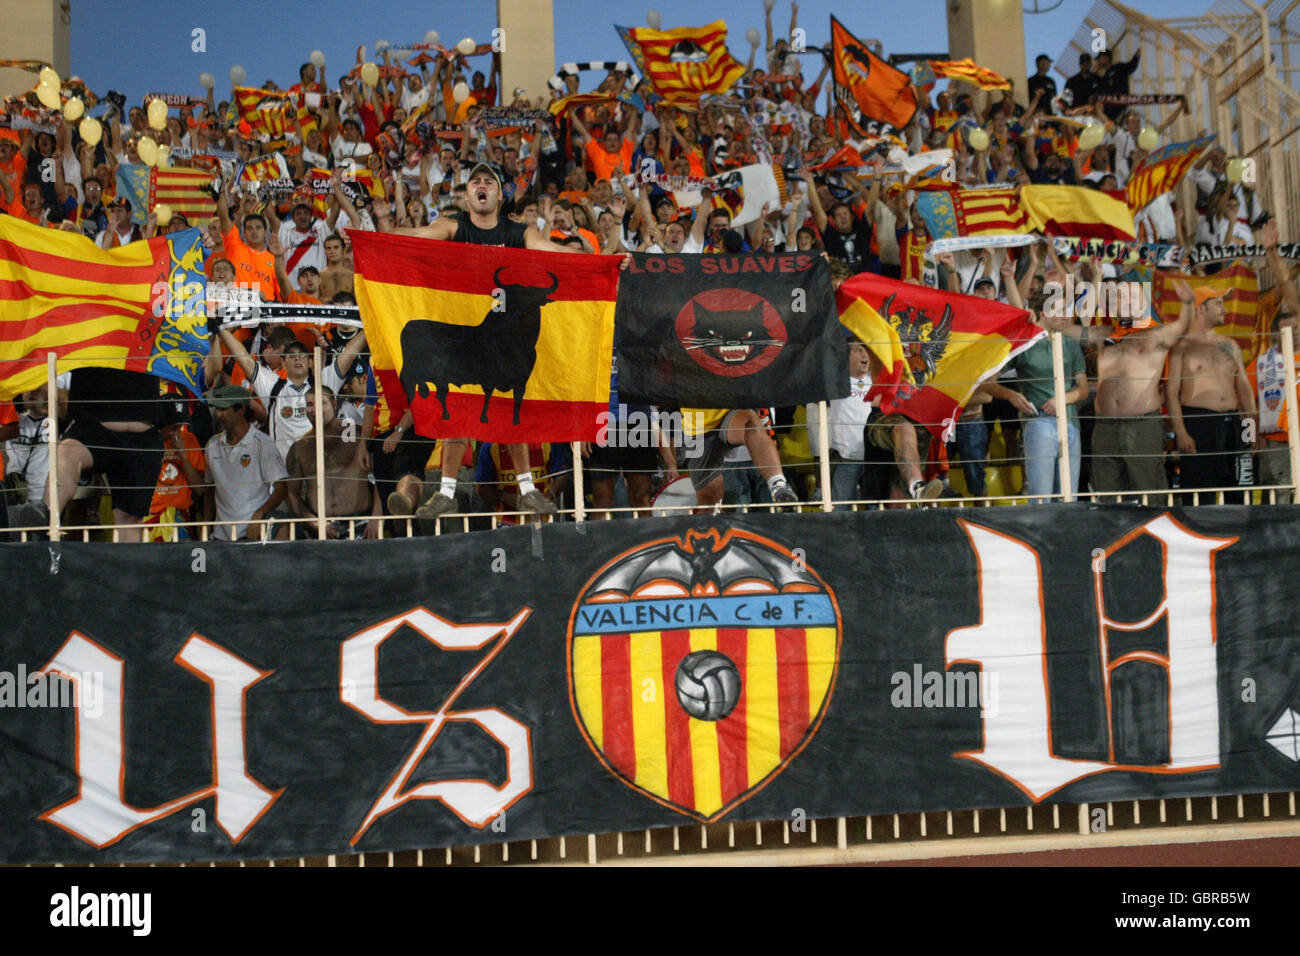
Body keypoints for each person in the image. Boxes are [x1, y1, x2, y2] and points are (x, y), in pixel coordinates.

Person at [371, 161, 607, 518]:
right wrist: (375, 236)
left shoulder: (517, 232)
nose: (482, 186)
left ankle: (527, 489)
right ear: (468, 195)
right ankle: (446, 492)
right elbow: (417, 237)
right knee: (461, 412)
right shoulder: (454, 225)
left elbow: (553, 253)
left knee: (509, 411)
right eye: (475, 182)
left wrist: (597, 263)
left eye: (489, 181)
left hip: (504, 342)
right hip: (467, 333)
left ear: (499, 192)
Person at [1063, 278, 1196, 495]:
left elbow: (1183, 326)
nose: (1125, 301)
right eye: (1119, 297)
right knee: (1106, 494)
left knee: (1148, 491)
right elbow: (1069, 330)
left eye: (1131, 297)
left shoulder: (1157, 333)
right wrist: (1040, 318)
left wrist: (1188, 304)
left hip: (1141, 426)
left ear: (1144, 302)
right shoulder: (1104, 334)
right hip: (1105, 427)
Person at [1167, 286, 1256, 501]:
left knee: (1239, 493)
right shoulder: (1182, 345)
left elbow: (1244, 389)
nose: (1224, 309)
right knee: (1199, 493)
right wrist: (1181, 432)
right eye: (1218, 303)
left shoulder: (1230, 345)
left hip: (1233, 423)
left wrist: (1251, 432)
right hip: (1199, 423)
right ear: (1200, 309)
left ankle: (1241, 534)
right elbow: (1171, 393)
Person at [284, 387, 382, 538]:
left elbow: (381, 476)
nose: (314, 409)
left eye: (322, 403)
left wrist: (376, 518)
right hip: (321, 529)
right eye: (309, 404)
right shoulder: (299, 447)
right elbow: (291, 494)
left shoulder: (358, 435)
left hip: (362, 524)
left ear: (334, 405)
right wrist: (314, 522)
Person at [203, 385, 287, 541]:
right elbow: (209, 489)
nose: (219, 414)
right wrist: (206, 525)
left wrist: (259, 514)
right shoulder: (212, 445)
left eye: (224, 409)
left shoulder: (262, 443)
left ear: (241, 410)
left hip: (252, 533)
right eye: (218, 409)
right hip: (220, 535)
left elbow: (282, 488)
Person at [806, 336, 874, 509]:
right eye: (858, 350)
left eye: (866, 349)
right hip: (847, 460)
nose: (864, 353)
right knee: (840, 513)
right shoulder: (836, 381)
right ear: (846, 356)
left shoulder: (876, 380)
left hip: (874, 459)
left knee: (876, 510)